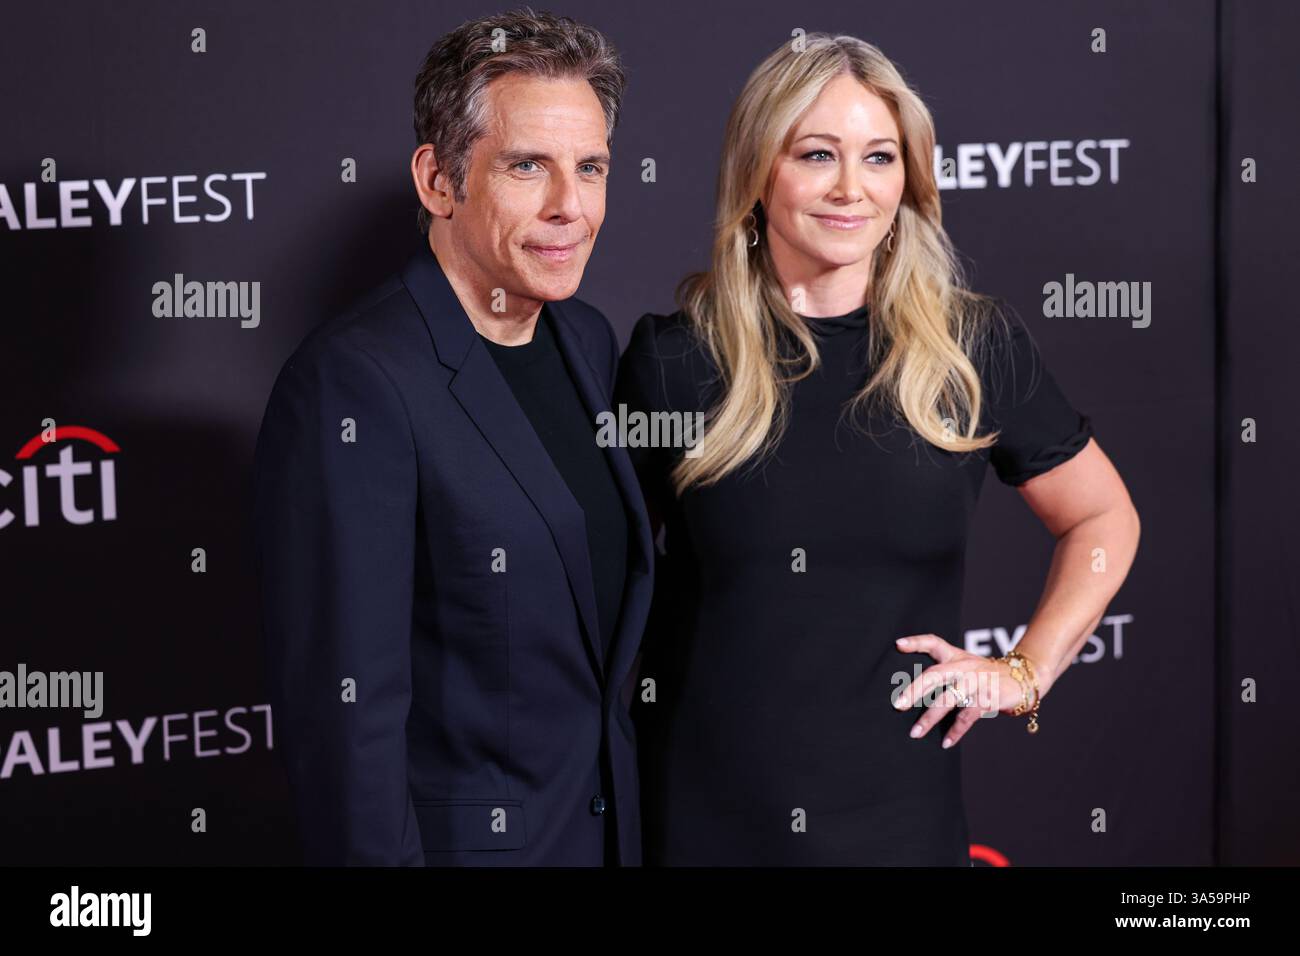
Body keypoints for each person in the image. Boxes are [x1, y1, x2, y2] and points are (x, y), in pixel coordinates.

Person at [615, 33, 1141, 865]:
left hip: (901, 820)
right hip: (705, 817)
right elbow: (596, 583)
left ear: (909, 176)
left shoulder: (972, 348)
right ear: (757, 172)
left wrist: (1026, 671)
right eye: (817, 155)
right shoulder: (677, 359)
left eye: (880, 157)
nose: (851, 188)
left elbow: (1102, 519)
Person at [252, 9, 653, 866]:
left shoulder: (584, 338)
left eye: (590, 168)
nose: (570, 207)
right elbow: (346, 723)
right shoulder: (353, 384)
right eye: (527, 166)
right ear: (438, 180)